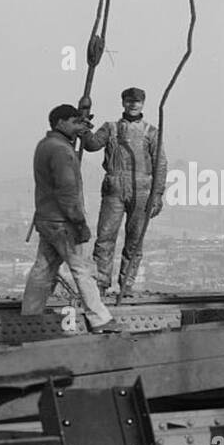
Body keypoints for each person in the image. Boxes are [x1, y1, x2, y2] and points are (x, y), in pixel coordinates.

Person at [20, 104, 120, 332]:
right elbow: (67, 192)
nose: (78, 127)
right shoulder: (62, 151)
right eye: (74, 122)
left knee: (43, 269)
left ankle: (30, 314)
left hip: (46, 219)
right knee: (81, 269)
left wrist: (82, 126)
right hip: (63, 222)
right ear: (60, 123)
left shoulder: (46, 145)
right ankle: (100, 318)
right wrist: (79, 222)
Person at [81, 86, 167, 299]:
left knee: (135, 240)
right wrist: (83, 126)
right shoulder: (110, 128)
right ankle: (101, 284)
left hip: (142, 190)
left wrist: (157, 195)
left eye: (137, 101)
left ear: (143, 104)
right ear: (123, 102)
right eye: (129, 100)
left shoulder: (151, 132)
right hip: (114, 188)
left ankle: (126, 285)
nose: (133, 104)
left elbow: (160, 164)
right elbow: (91, 145)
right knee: (105, 237)